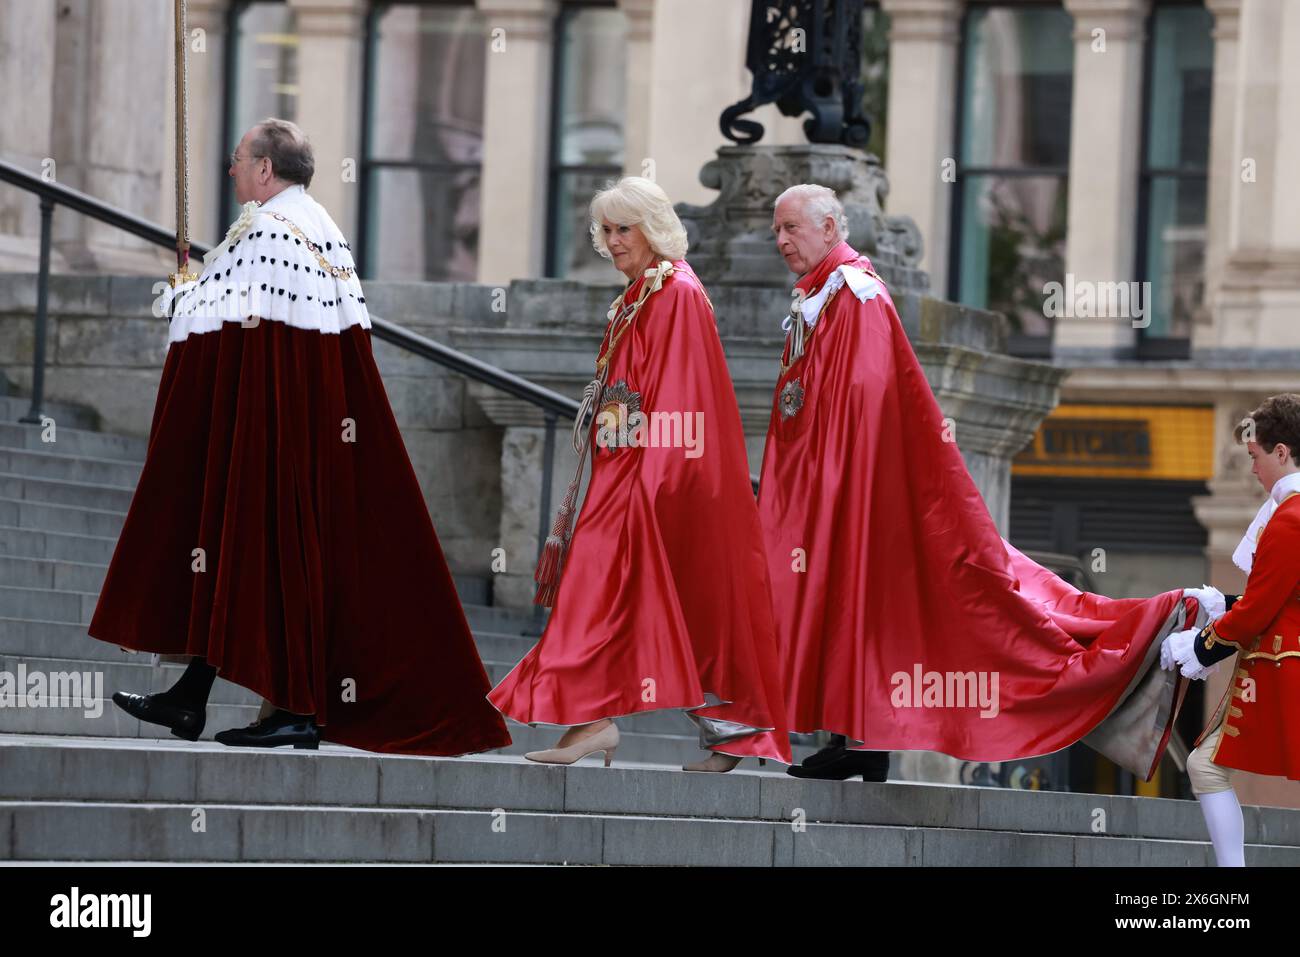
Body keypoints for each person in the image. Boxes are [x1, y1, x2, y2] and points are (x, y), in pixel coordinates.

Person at [758, 184, 1208, 782]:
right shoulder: (820, 297)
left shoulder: (858, 295)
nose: (782, 241)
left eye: (792, 228)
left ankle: (864, 734)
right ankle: (855, 733)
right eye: (777, 231)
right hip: (839, 488)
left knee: (888, 606)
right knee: (858, 608)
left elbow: (863, 405)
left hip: (864, 491)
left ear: (831, 227)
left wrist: (837, 488)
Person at [90, 118, 510, 755]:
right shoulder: (320, 227)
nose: (230, 170)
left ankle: (292, 710)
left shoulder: (266, 229)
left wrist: (180, 296)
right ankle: (191, 699)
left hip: (274, 431)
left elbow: (230, 326)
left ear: (264, 169)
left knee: (263, 550)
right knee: (247, 553)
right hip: (311, 429)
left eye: (237, 159)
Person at [488, 177, 792, 771]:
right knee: (621, 595)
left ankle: (675, 724)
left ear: (651, 228)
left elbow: (683, 394)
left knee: (651, 595)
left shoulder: (675, 290)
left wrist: (653, 482)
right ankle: (596, 721)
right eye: (606, 230)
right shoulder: (639, 293)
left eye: (624, 228)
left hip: (656, 476)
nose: (613, 240)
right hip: (624, 467)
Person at [1163, 393, 1300, 866]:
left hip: (1285, 671)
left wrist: (1200, 648)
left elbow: (1262, 609)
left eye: (1255, 456)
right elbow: (1276, 596)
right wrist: (1224, 602)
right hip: (1279, 666)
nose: (1252, 469)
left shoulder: (1290, 518)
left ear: (1281, 453)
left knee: (1205, 766)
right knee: (1206, 765)